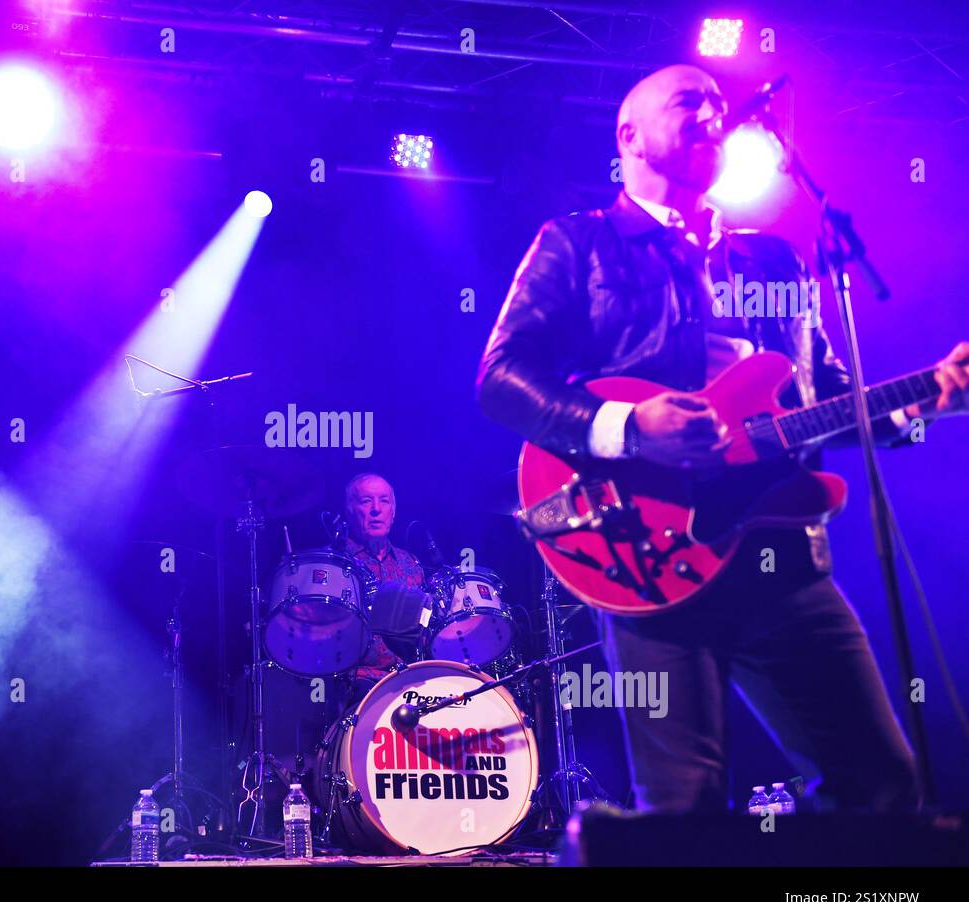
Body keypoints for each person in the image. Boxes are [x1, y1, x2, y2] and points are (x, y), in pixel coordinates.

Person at [477, 63, 969, 813]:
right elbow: (501, 376)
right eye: (688, 101)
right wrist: (633, 426)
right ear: (629, 134)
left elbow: (823, 396)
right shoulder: (579, 244)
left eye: (717, 102)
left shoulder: (773, 259)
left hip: (783, 555)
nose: (713, 112)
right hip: (649, 553)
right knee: (687, 808)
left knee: (882, 784)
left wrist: (924, 399)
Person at [341, 473, 425, 683]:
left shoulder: (410, 563)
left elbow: (424, 627)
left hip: (408, 678)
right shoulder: (337, 562)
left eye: (384, 501)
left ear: (393, 513)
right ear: (350, 511)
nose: (376, 509)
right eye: (366, 501)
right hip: (355, 680)